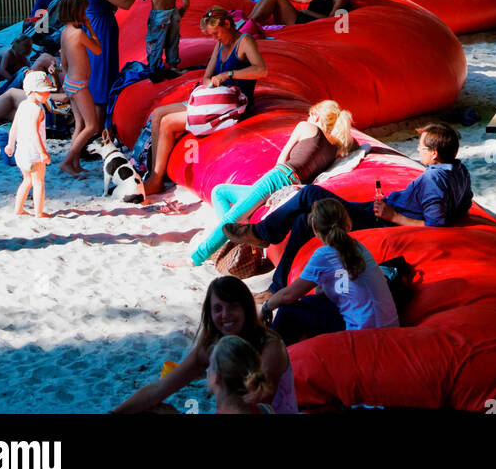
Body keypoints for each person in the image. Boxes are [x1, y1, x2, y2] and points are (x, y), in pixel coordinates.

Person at [225, 121, 472, 295]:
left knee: (310, 193)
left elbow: (435, 225)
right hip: (383, 208)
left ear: (435, 154)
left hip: (380, 218)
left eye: (422, 147)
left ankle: (262, 233)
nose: (418, 149)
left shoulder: (433, 180)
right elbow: (465, 202)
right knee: (305, 220)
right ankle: (277, 286)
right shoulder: (459, 170)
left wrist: (393, 215)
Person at [189, 99, 353, 266]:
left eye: (309, 115)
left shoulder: (307, 127)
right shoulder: (334, 148)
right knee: (219, 191)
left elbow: (281, 160)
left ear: (316, 116)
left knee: (234, 216)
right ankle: (230, 238)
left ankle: (197, 257)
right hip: (293, 186)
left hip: (280, 176)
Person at [112, 277, 296, 415]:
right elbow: (160, 389)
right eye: (218, 309)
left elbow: (249, 407)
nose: (225, 315)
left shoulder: (269, 348)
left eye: (233, 307)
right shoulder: (213, 346)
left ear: (246, 309)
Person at [142, 7, 267, 197]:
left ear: (227, 24)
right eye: (211, 35)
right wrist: (211, 85)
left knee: (168, 123)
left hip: (234, 105)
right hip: (215, 100)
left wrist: (229, 74)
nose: (215, 38)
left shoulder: (244, 42)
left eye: (216, 33)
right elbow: (207, 77)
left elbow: (261, 70)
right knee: (159, 113)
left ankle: (156, 179)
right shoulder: (219, 46)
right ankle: (154, 171)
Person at [263, 197, 399, 345]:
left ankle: (270, 358)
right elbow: (348, 287)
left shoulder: (324, 255)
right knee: (309, 301)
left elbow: (287, 295)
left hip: (364, 335)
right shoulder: (356, 246)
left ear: (315, 229)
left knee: (288, 312)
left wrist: (265, 308)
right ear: (347, 222)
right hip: (388, 326)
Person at [81, 0, 141, 122]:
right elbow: (125, 3)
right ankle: (98, 129)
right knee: (101, 81)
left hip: (100, 27)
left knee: (103, 76)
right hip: (100, 30)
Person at [57, 0, 103, 177]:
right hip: (79, 85)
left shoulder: (64, 32)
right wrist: (91, 29)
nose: (86, 14)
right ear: (78, 12)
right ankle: (67, 161)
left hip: (70, 82)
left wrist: (65, 82)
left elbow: (64, 61)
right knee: (92, 126)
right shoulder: (78, 33)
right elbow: (98, 50)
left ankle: (74, 164)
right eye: (84, 11)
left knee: (80, 124)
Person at [5, 71, 55, 217]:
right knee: (38, 182)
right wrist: (42, 152)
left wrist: (10, 144)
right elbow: (34, 132)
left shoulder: (22, 106)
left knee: (27, 181)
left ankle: (18, 209)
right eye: (45, 92)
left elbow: (14, 126)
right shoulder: (37, 110)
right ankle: (39, 212)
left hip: (21, 152)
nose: (48, 95)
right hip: (33, 154)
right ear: (33, 91)